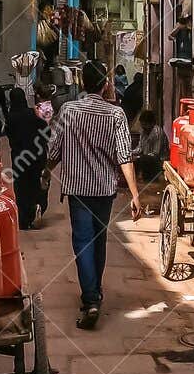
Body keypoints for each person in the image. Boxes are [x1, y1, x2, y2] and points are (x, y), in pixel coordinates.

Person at [46, 58, 139, 328]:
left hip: (78, 189)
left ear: (83, 83)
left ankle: (91, 298)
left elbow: (53, 151)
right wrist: (135, 194)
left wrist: (45, 171)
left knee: (83, 241)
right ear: (106, 84)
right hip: (104, 189)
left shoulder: (68, 111)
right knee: (98, 239)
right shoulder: (115, 114)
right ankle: (94, 291)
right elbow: (125, 156)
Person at [5, 87, 50, 229]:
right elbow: (46, 132)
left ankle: (24, 220)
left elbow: (10, 138)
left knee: (21, 187)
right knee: (37, 182)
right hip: (37, 155)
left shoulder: (10, 117)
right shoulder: (33, 113)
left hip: (20, 158)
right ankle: (38, 206)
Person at [134, 109, 168, 185]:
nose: (143, 126)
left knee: (142, 160)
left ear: (151, 123)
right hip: (147, 158)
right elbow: (139, 148)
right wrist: (130, 153)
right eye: (142, 124)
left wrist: (140, 157)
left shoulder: (157, 132)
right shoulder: (143, 131)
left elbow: (156, 153)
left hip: (159, 160)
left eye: (145, 124)